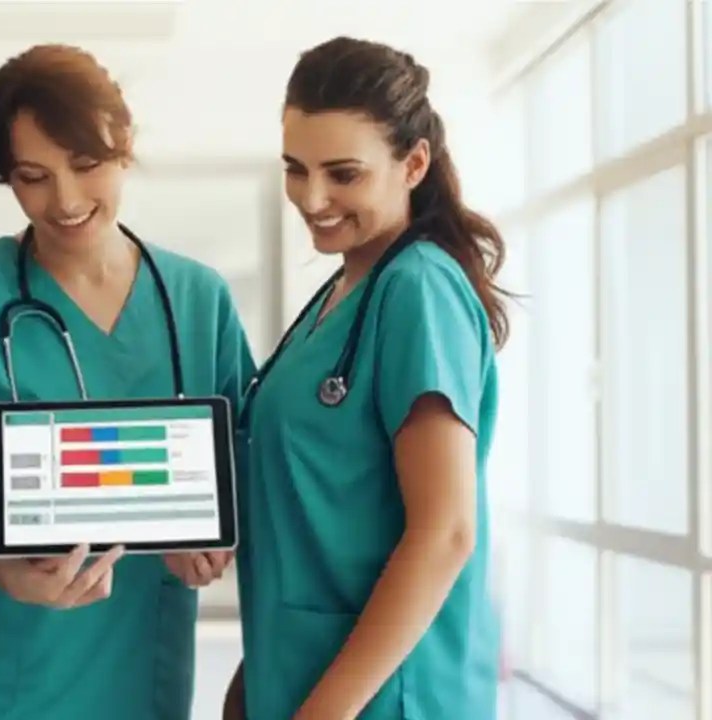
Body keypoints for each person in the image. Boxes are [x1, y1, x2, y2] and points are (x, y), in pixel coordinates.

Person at [0, 44, 257, 720]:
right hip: (1, 663)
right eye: (32, 176)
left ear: (125, 147)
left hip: (138, 665)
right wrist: (18, 577)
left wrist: (214, 546)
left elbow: (238, 479)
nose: (63, 200)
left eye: (86, 165)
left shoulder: (197, 300)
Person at [226, 37, 506, 719]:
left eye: (343, 174)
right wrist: (252, 680)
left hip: (385, 696)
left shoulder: (419, 289)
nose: (311, 197)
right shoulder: (345, 290)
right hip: (305, 674)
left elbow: (445, 533)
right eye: (295, 169)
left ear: (413, 164)